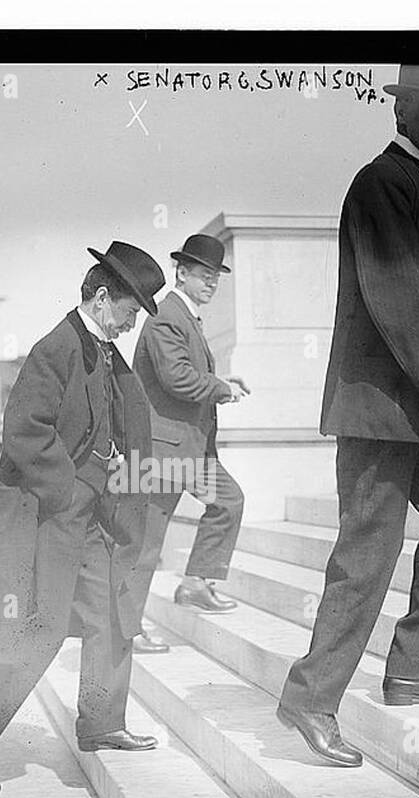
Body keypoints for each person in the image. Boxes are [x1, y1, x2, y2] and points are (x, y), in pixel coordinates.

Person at [277, 65, 419, 769]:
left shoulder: (417, 187)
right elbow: (399, 293)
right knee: (367, 556)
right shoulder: (381, 185)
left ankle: (415, 669)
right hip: (382, 413)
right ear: (400, 112)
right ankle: (309, 702)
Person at [0, 242, 165, 793]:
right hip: (50, 514)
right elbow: (23, 430)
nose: (133, 321)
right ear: (102, 295)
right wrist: (70, 488)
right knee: (39, 631)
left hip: (92, 515)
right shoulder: (56, 347)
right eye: (131, 310)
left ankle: (102, 723)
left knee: (111, 610)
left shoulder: (105, 351)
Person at [128, 233, 249, 654]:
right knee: (146, 544)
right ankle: (126, 628)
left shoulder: (186, 315)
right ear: (182, 272)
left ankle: (196, 583)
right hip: (162, 453)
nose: (210, 284)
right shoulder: (166, 314)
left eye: (215, 277)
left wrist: (222, 383)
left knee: (229, 501)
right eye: (203, 276)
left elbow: (184, 371)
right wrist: (221, 388)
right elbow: (176, 377)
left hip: (189, 450)